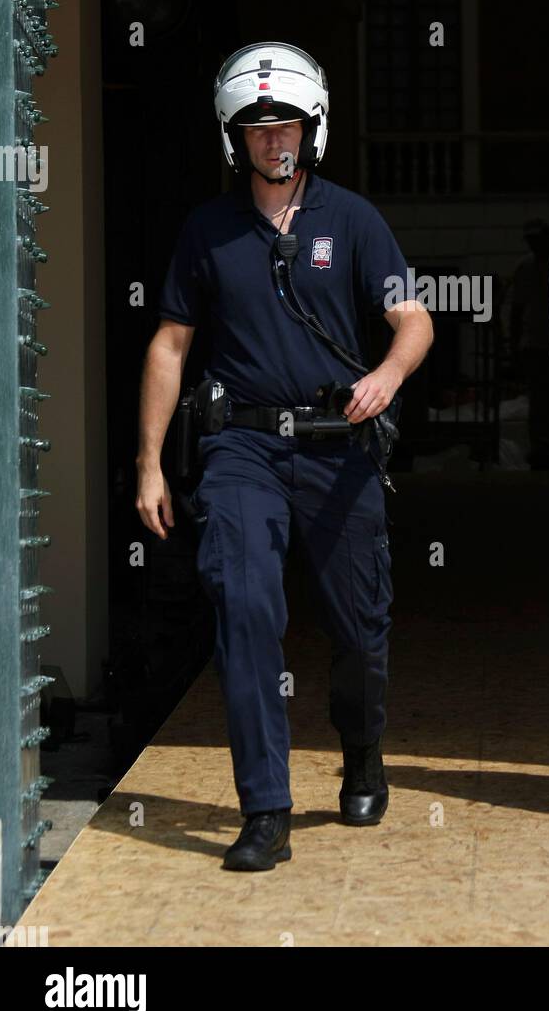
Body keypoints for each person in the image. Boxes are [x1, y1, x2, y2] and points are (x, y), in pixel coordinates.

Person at [135, 42, 433, 870]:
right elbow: (169, 344)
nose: (274, 140)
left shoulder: (354, 220)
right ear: (234, 137)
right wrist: (149, 465)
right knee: (246, 609)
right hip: (243, 449)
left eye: (288, 125)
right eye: (258, 126)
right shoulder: (207, 231)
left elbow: (413, 318)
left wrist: (385, 373)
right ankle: (264, 807)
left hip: (339, 449)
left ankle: (363, 752)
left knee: (357, 625)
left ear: (313, 130)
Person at [510, 219, 549, 469]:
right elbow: (517, 308)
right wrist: (514, 346)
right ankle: (543, 451)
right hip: (537, 344)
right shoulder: (526, 267)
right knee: (540, 404)